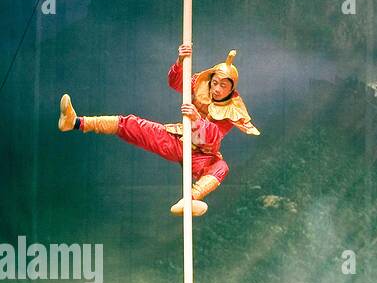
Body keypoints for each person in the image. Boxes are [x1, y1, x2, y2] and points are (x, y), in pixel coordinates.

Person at [58, 44, 259, 216]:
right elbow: (176, 82)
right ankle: (75, 122)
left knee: (221, 166)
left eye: (223, 86)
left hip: (201, 155)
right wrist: (181, 61)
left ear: (231, 89)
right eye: (215, 82)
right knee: (131, 124)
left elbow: (212, 140)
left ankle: (189, 200)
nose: (216, 89)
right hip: (177, 138)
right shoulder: (201, 86)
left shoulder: (231, 111)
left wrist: (197, 119)